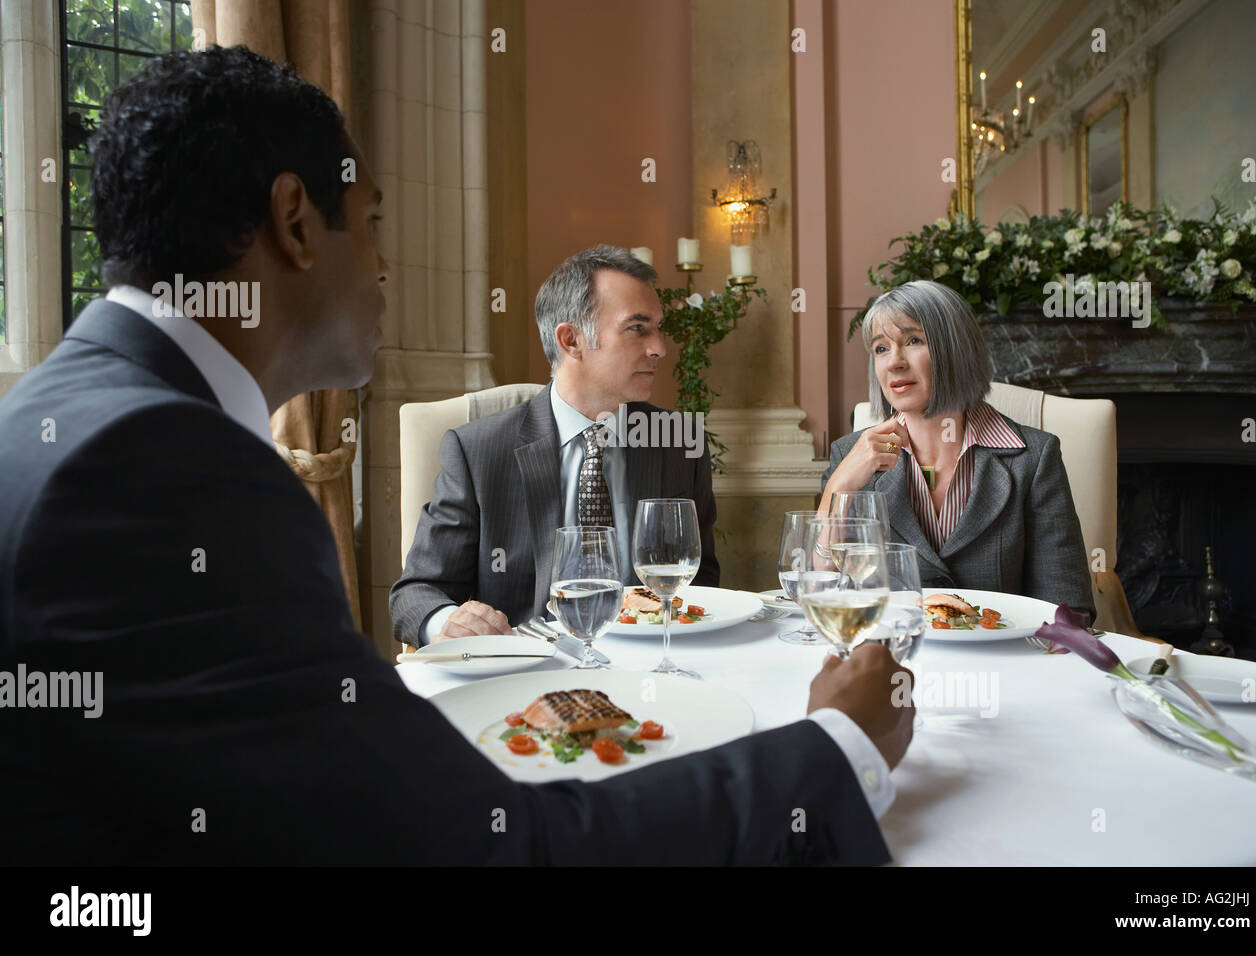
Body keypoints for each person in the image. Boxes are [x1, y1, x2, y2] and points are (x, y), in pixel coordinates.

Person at [0, 45, 912, 865]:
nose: (388, 269)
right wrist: (836, 746)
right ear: (295, 221)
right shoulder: (161, 466)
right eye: (376, 222)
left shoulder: (93, 419)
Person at [389, 246, 720, 645]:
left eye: (657, 328)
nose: (659, 348)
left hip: (649, 671)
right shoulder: (478, 452)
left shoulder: (678, 445)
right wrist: (448, 622)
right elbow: (414, 594)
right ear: (571, 340)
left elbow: (701, 583)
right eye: (637, 328)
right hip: (526, 674)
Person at [822, 279, 1095, 623]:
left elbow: (1066, 610)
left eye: (914, 340)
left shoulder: (1035, 458)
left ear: (956, 349)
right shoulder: (849, 454)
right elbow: (821, 592)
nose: (894, 363)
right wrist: (838, 488)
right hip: (892, 663)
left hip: (1003, 663)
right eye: (880, 348)